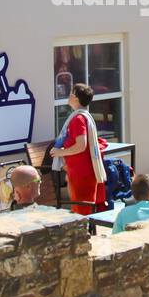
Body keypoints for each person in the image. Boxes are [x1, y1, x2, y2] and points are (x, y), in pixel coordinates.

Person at [49, 83, 108, 215]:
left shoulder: (78, 119)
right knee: (83, 207)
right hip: (82, 170)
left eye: (71, 93)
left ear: (76, 98)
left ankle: (83, 233)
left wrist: (60, 152)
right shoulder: (84, 116)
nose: (68, 96)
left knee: (81, 208)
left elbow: (81, 145)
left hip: (81, 172)